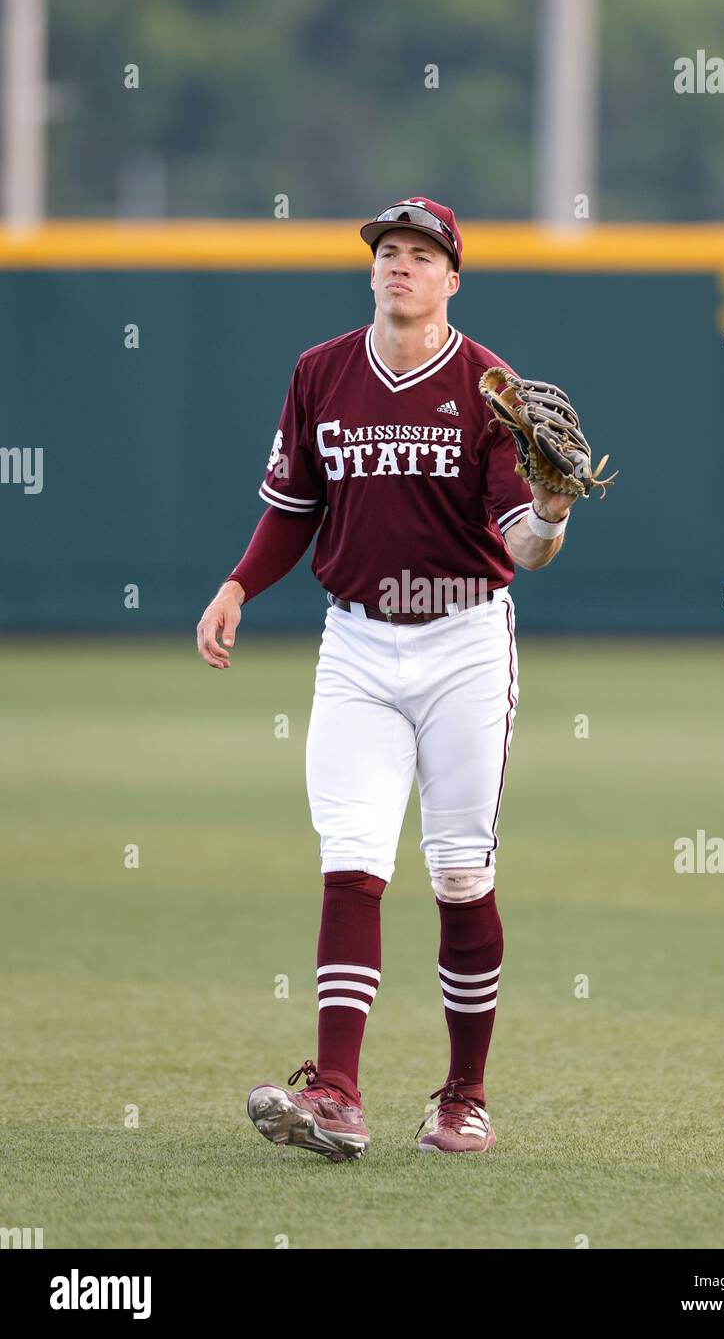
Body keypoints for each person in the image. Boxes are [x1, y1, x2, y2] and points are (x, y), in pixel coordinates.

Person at [196, 198, 574, 1160]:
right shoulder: (321, 372)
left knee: (458, 871)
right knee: (351, 858)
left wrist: (553, 508)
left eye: (421, 255)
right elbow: (294, 508)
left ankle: (464, 1095)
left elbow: (521, 548)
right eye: (388, 252)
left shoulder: (490, 386)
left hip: (463, 644)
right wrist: (240, 583)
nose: (399, 266)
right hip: (357, 644)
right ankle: (337, 1093)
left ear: (453, 278)